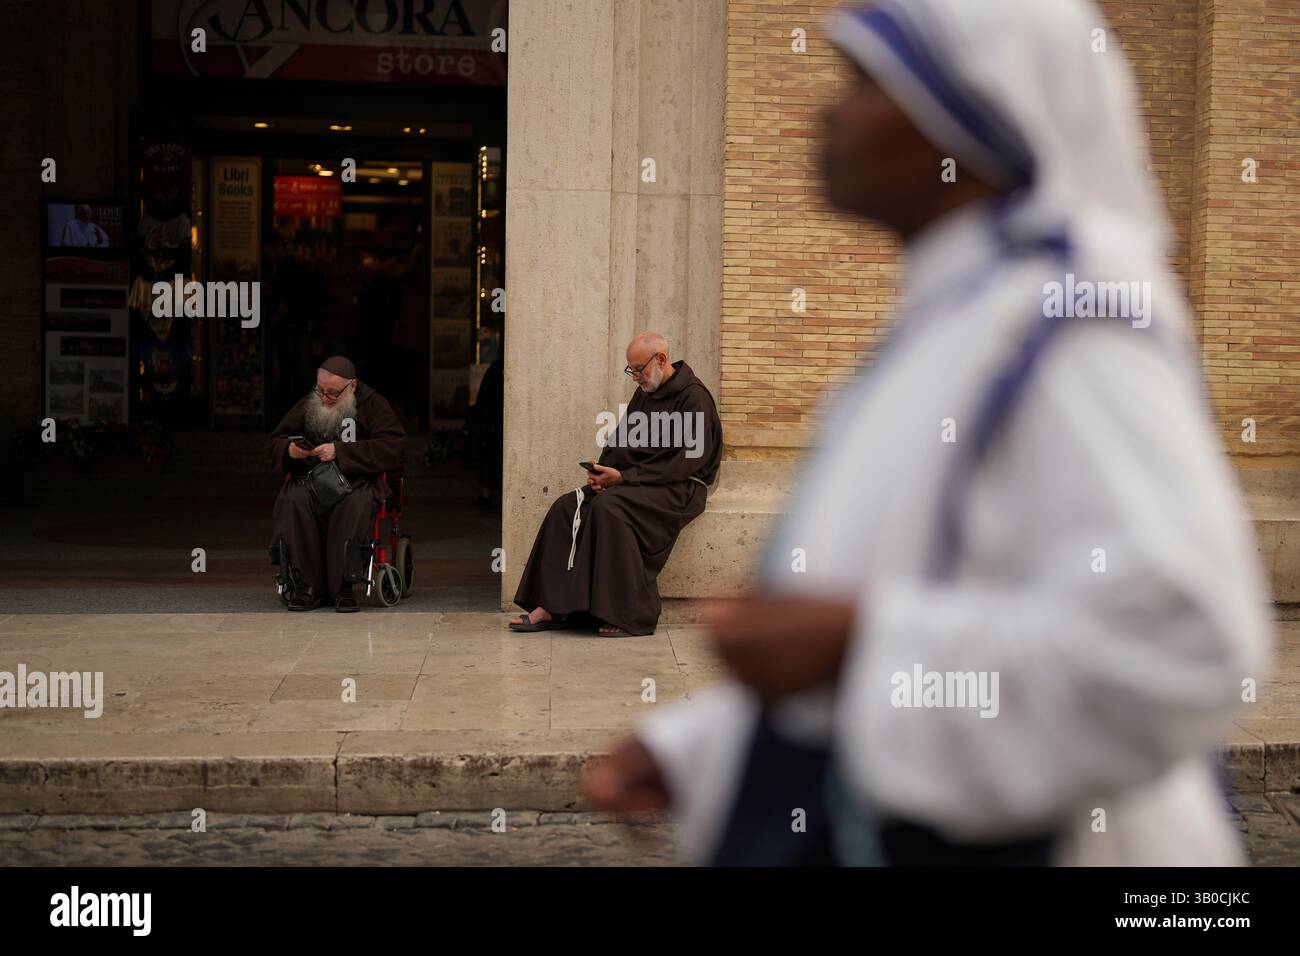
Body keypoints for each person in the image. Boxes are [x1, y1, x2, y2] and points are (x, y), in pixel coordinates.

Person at [584, 0, 1272, 865]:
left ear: (976, 116)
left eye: (869, 83)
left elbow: (1180, 646)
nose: (827, 112)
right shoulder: (948, 325)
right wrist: (702, 746)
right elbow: (927, 593)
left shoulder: (1075, 325)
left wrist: (855, 644)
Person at [510, 333, 722, 637]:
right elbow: (621, 443)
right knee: (568, 506)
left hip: (681, 487)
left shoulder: (694, 397)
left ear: (661, 360)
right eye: (631, 371)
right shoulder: (646, 393)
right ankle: (553, 605)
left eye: (639, 369)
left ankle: (630, 615)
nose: (635, 377)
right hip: (640, 482)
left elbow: (684, 463)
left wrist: (624, 478)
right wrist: (602, 472)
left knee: (610, 509)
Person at [268, 356, 405, 612]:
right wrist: (290, 450)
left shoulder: (374, 405)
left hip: (357, 480)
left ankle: (344, 586)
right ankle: (309, 586)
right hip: (313, 478)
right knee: (294, 499)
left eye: (332, 393)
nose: (324, 398)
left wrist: (340, 453)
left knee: (352, 504)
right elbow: (276, 439)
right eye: (320, 390)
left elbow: (392, 447)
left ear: (352, 387)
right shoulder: (312, 401)